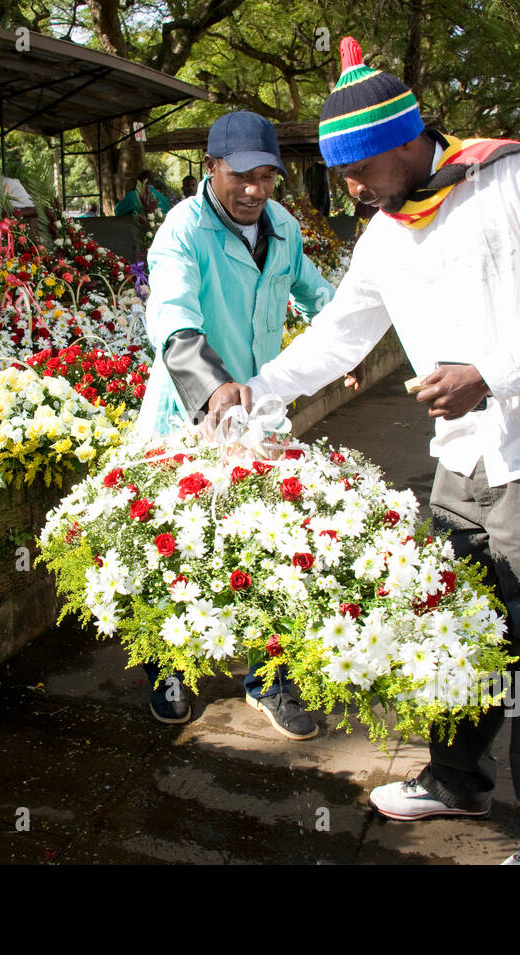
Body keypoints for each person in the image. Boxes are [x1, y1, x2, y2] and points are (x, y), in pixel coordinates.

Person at [238, 37, 520, 864]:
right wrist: (254, 391)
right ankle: (457, 778)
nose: (349, 190)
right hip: (462, 456)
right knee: (455, 622)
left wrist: (489, 374)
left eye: (356, 172)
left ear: (399, 146)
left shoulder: (511, 178)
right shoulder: (387, 231)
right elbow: (340, 334)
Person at [136, 110, 336, 739]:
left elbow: (314, 292)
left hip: (263, 413)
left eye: (267, 177)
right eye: (240, 176)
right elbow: (171, 317)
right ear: (211, 168)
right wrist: (214, 386)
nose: (254, 190)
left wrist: (344, 353)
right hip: (189, 412)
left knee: (274, 548)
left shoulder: (281, 226)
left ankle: (270, 677)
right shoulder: (181, 231)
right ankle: (167, 668)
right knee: (174, 550)